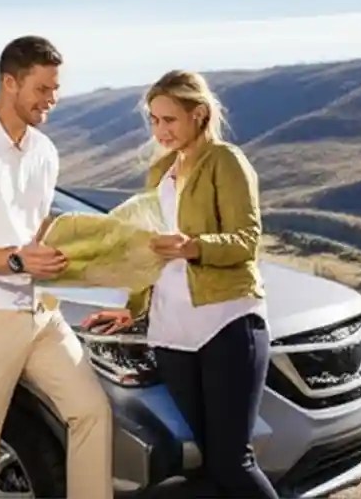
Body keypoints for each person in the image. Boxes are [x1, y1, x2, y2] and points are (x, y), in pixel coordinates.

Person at [0, 35, 114, 499]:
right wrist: (16, 259)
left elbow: (35, 224)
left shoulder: (44, 152)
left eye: (55, 89)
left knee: (91, 411)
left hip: (41, 313)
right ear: (9, 83)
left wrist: (88, 240)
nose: (51, 99)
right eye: (42, 89)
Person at [82, 69, 278, 499]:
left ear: (199, 114)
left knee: (233, 462)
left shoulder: (225, 161)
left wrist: (193, 246)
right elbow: (148, 254)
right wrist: (131, 309)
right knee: (211, 462)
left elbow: (246, 241)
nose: (160, 130)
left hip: (226, 324)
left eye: (169, 119)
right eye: (154, 120)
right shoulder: (162, 172)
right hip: (173, 335)